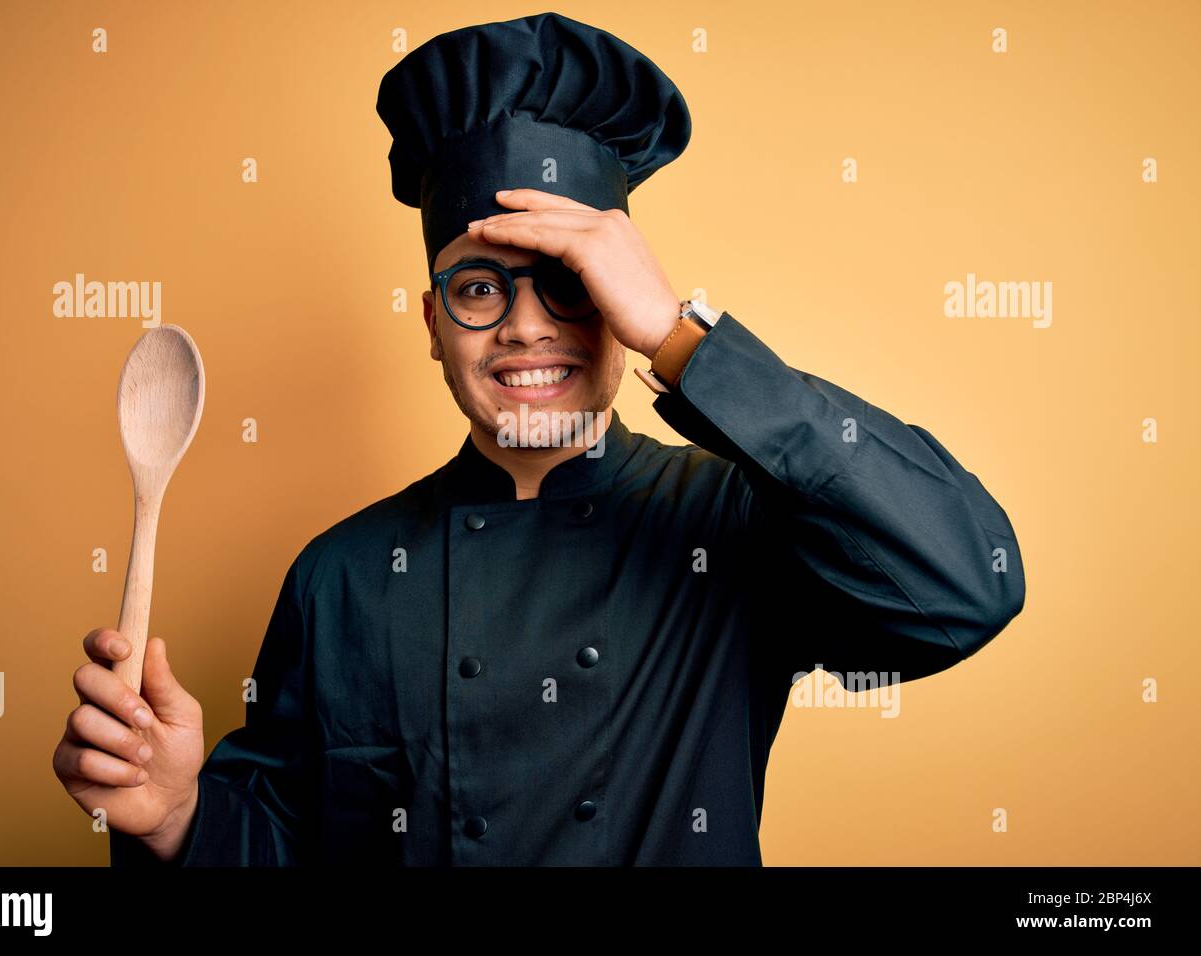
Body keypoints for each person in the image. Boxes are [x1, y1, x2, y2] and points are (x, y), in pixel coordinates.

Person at [53, 12, 1025, 866]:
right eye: (479, 286)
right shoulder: (339, 574)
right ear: (433, 325)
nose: (523, 326)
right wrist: (180, 815)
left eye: (568, 279)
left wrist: (683, 338)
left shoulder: (731, 525)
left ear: (621, 298)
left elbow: (964, 581)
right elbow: (291, 845)